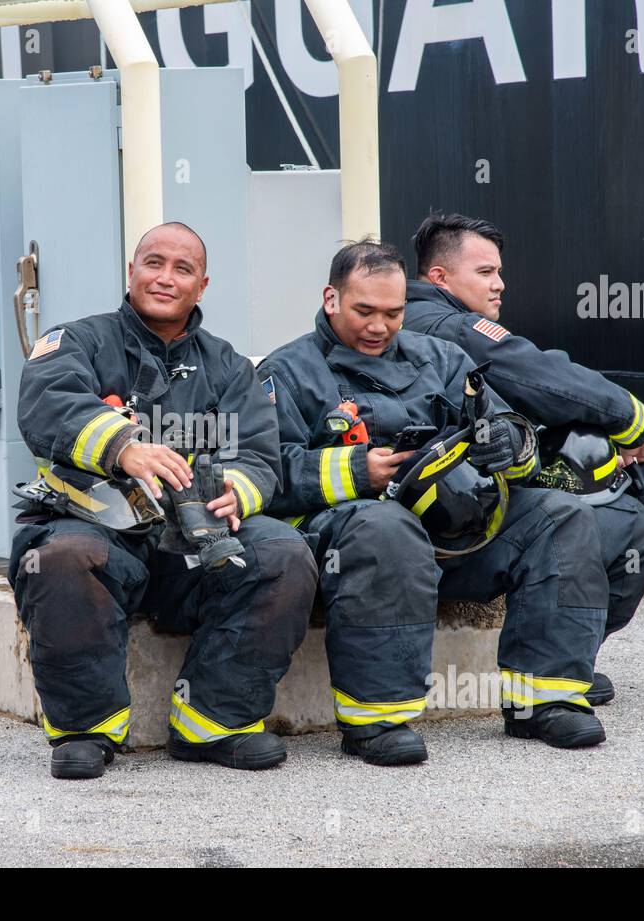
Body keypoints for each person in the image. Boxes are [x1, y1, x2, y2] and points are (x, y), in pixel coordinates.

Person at [258, 239, 612, 762]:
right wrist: (361, 471)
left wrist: (507, 444)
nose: (380, 326)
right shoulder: (286, 372)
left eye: (394, 312)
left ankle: (548, 700)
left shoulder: (443, 357)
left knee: (563, 518)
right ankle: (376, 721)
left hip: (460, 528)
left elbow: (516, 432)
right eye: (365, 311)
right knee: (386, 529)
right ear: (331, 298)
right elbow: (265, 472)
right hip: (356, 546)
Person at [8, 222, 317, 780]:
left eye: (182, 270)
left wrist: (234, 494)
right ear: (131, 272)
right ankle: (86, 729)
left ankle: (215, 723)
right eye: (153, 263)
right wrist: (123, 446)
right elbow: (44, 404)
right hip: (100, 532)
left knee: (285, 553)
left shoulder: (229, 366)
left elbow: (260, 454)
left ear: (203, 285)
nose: (165, 278)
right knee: (59, 556)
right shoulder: (76, 341)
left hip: (195, 549)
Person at [404, 213, 644, 704]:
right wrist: (638, 423)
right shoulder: (448, 325)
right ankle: (562, 661)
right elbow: (544, 377)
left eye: (500, 272)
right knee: (631, 518)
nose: (500, 284)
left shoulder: (406, 320)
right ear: (438, 277)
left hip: (439, 512)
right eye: (485, 272)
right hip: (453, 527)